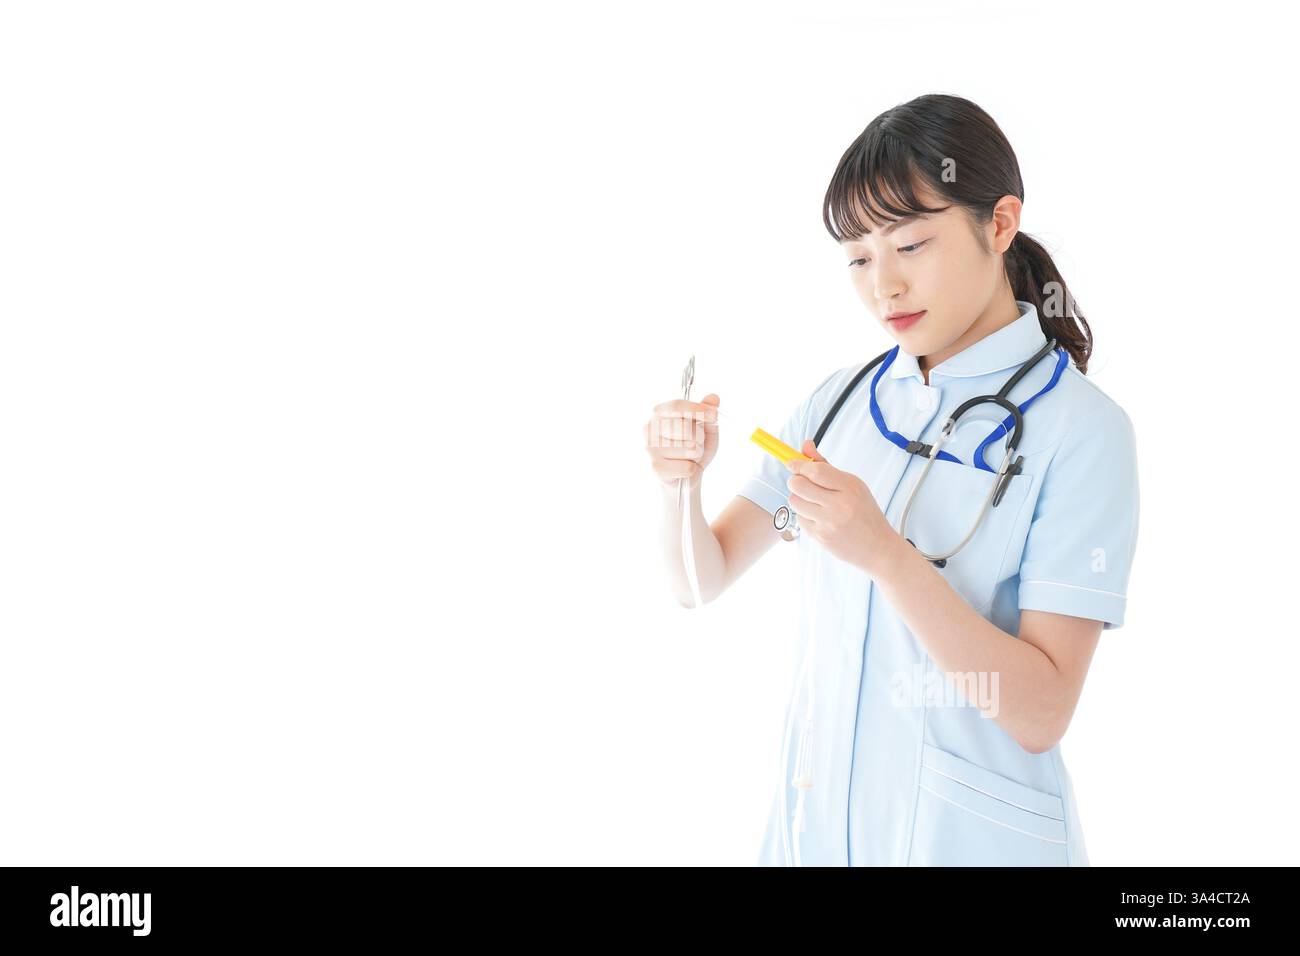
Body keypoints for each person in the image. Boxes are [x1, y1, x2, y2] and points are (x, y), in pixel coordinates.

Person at [643, 93, 1139, 866]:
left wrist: (886, 556)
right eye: (859, 259)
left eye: (911, 245)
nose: (885, 287)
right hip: (814, 837)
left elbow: (1043, 711)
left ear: (1000, 224)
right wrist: (681, 485)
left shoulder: (1083, 433)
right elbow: (700, 582)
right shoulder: (838, 406)